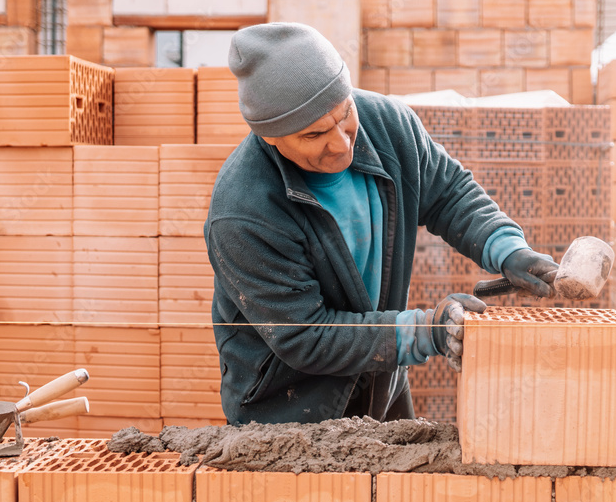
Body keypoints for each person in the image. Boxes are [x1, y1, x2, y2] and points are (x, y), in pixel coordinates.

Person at [204, 22, 557, 425]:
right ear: (271, 137)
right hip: (289, 406)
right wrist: (425, 332)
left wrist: (507, 247)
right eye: (315, 134)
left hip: (380, 380)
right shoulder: (244, 212)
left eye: (344, 114)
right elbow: (305, 335)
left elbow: (447, 193)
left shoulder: (388, 125)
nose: (341, 143)